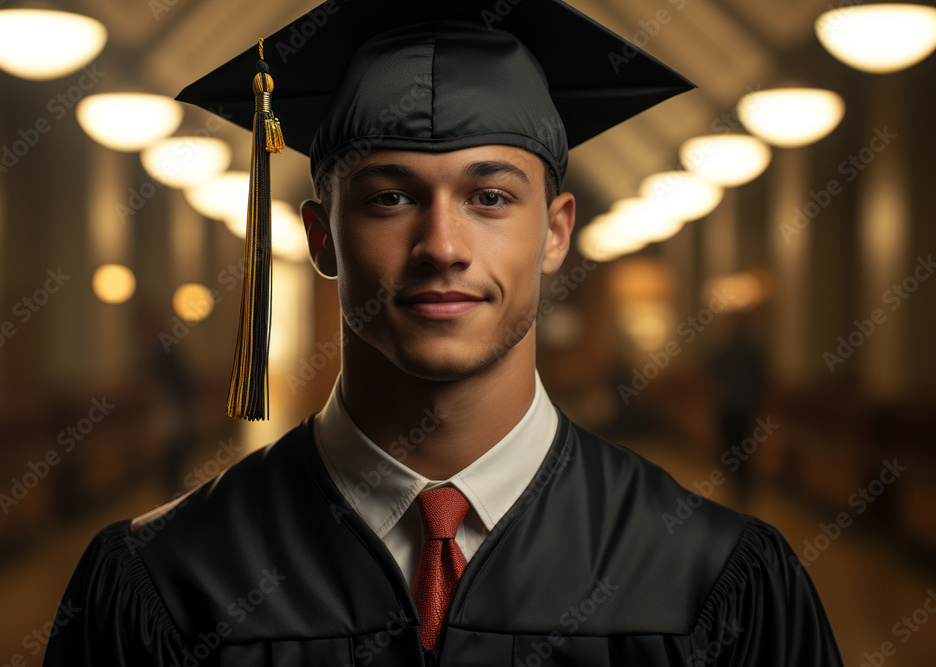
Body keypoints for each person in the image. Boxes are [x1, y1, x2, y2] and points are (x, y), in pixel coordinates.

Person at [44, 1, 843, 665]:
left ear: (557, 233)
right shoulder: (163, 581)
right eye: (390, 198)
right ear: (320, 237)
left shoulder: (714, 578)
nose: (443, 246)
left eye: (490, 198)